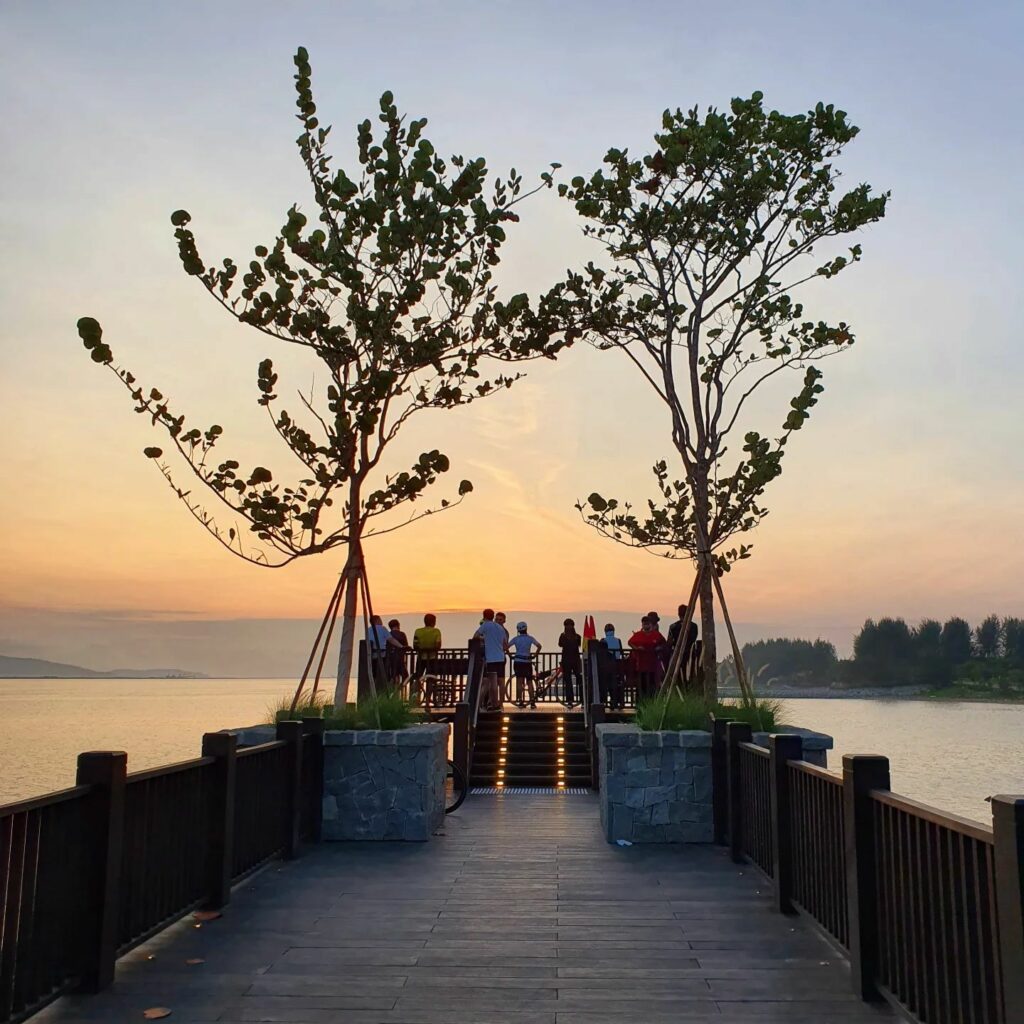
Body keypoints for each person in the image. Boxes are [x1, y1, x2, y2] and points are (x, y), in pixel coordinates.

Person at [474, 608, 507, 712]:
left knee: (492, 683)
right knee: (501, 682)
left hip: (491, 658)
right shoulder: (500, 628)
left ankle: (494, 704)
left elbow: (475, 637)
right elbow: (505, 645)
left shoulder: (485, 625)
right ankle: (500, 704)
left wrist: (483, 639)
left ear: (484, 616)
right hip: (501, 658)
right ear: (493, 616)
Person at [629, 615, 666, 698]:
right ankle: (640, 703)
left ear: (650, 624)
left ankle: (651, 701)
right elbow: (630, 642)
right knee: (641, 685)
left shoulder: (656, 634)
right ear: (642, 625)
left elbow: (664, 643)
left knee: (652, 684)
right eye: (644, 624)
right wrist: (637, 648)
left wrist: (658, 648)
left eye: (647, 624)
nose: (646, 626)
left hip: (652, 665)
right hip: (641, 665)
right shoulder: (638, 635)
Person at [507, 621, 541, 708]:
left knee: (519, 681)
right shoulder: (530, 638)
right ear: (526, 628)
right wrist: (535, 655)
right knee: (529, 682)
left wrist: (510, 655)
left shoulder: (516, 639)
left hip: (518, 661)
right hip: (527, 661)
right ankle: (532, 702)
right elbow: (539, 646)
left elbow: (506, 647)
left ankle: (520, 701)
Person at [412, 613, 442, 701]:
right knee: (431, 678)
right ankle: (428, 698)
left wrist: (422, 649)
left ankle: (415, 697)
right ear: (434, 622)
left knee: (418, 677)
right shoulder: (436, 631)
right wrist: (431, 649)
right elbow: (438, 645)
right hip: (432, 658)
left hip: (421, 658)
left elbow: (415, 645)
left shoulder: (418, 631)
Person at [666, 603, 699, 682]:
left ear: (678, 614)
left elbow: (669, 642)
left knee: (677, 676)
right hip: (690, 654)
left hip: (676, 654)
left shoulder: (673, 626)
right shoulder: (693, 626)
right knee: (689, 676)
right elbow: (693, 639)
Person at [558, 617, 583, 706]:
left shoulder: (563, 636)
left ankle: (570, 701)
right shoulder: (578, 637)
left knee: (568, 681)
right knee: (579, 680)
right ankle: (582, 700)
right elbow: (579, 646)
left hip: (566, 661)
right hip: (576, 660)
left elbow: (560, 644)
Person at [600, 623, 626, 709]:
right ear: (613, 631)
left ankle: (603, 701)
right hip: (616, 665)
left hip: (605, 666)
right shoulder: (618, 640)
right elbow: (621, 652)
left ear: (605, 631)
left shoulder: (603, 640)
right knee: (615, 684)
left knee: (604, 684)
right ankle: (615, 701)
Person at [387, 619, 409, 687]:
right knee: (406, 676)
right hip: (400, 658)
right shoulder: (402, 634)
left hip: (390, 658)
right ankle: (400, 688)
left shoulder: (388, 634)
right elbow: (405, 645)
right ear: (398, 625)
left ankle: (393, 690)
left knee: (393, 675)